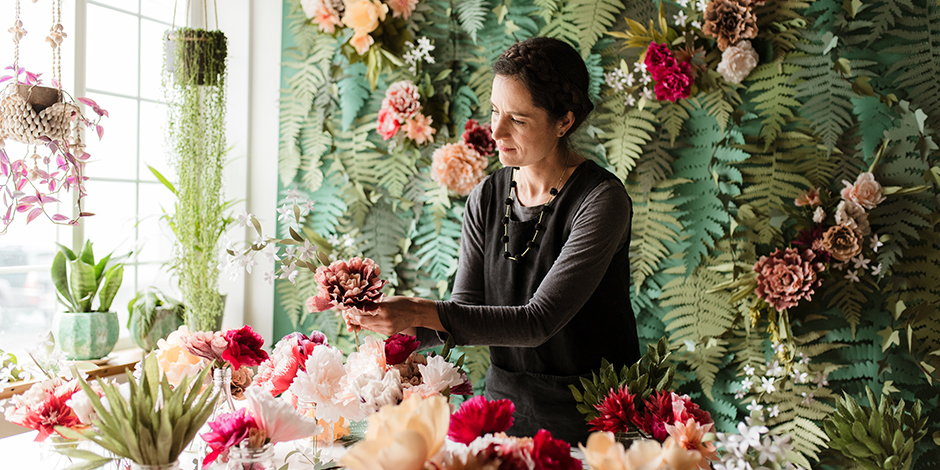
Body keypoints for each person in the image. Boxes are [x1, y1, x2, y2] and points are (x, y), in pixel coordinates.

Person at [350, 37, 639, 445]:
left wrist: (418, 309)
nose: (496, 130)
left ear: (564, 122)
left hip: (595, 421)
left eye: (517, 120)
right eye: (494, 111)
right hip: (508, 414)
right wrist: (382, 319)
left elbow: (538, 321)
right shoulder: (487, 195)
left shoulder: (601, 200)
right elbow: (464, 312)